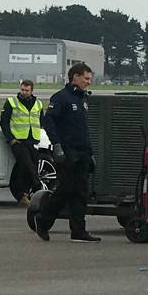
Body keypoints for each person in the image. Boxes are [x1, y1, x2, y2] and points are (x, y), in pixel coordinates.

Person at [37, 62, 100, 243]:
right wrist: (57, 145)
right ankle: (43, 219)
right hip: (67, 151)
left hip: (82, 153)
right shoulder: (61, 98)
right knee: (66, 189)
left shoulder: (82, 99)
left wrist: (91, 153)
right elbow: (49, 122)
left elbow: (83, 129)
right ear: (76, 77)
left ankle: (78, 231)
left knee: (81, 192)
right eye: (86, 78)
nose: (89, 82)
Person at [0, 79, 44, 205]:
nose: (23, 92)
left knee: (27, 167)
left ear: (32, 91)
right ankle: (37, 187)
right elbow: (4, 122)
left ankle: (23, 195)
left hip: (33, 140)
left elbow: (41, 121)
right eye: (22, 90)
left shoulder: (38, 104)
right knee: (27, 164)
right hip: (18, 140)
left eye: (26, 90)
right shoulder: (12, 102)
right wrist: (11, 139)